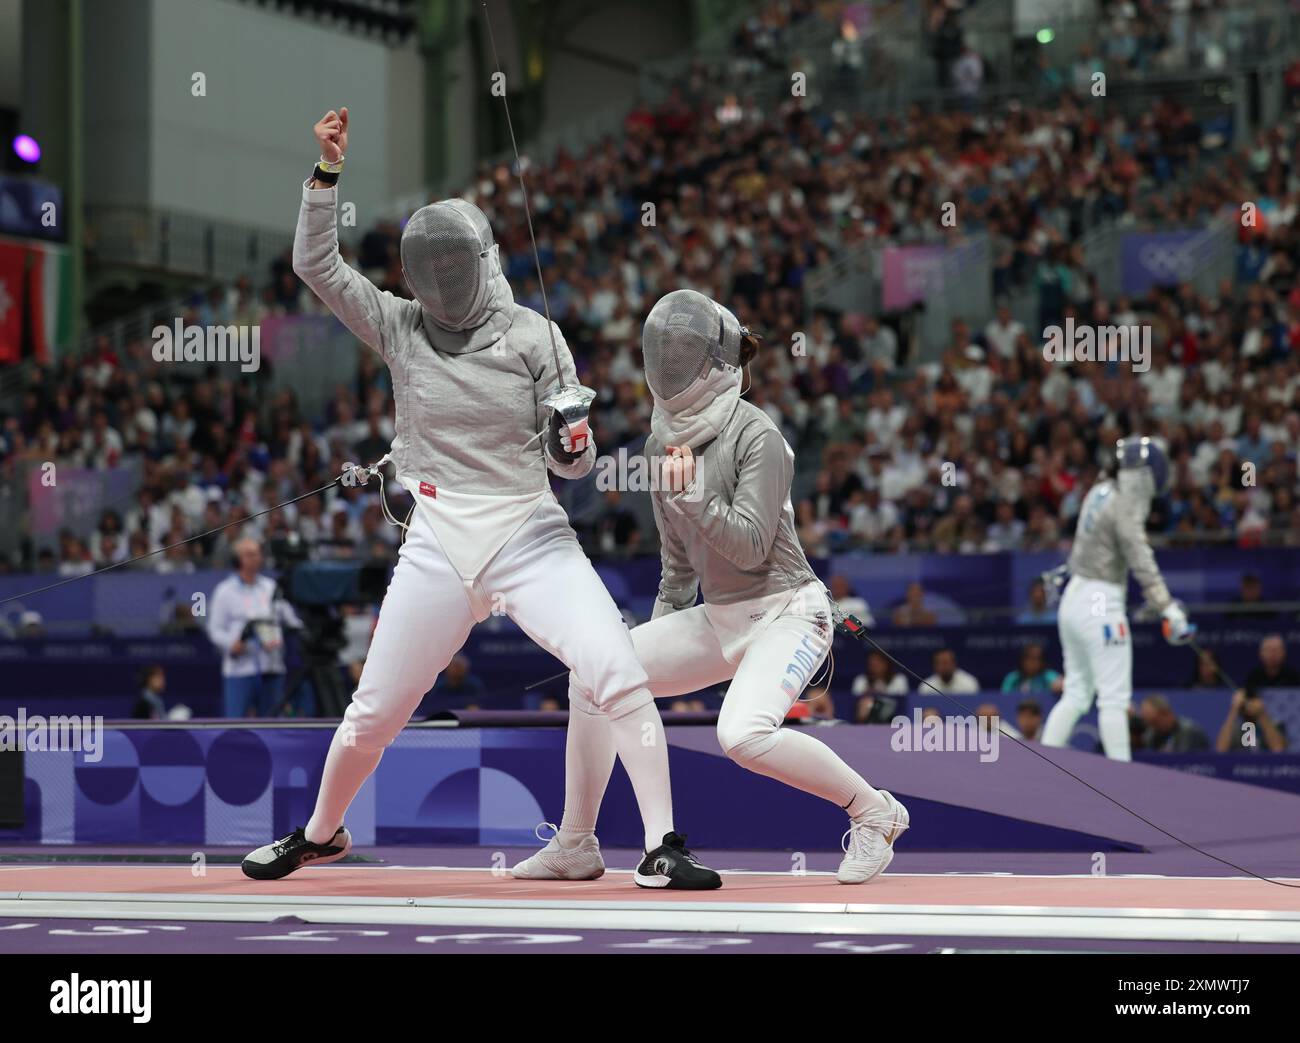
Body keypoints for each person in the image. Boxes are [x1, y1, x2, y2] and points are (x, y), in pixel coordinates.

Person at [242, 110, 719, 890]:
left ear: (485, 262)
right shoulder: (400, 325)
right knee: (373, 711)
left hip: (529, 534)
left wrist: (574, 445)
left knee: (614, 668)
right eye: (430, 274)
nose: (443, 286)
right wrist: (326, 175)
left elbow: (575, 467)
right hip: (437, 538)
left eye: (452, 269)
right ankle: (320, 833)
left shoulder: (536, 337)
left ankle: (662, 840)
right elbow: (316, 265)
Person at [513, 290, 909, 886]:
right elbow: (677, 567)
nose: (671, 361)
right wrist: (649, 647)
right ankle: (576, 842)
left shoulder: (760, 437)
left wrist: (696, 496)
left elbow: (751, 545)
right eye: (665, 350)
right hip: (720, 617)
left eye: (684, 351)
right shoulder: (659, 443)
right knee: (595, 672)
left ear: (713, 362)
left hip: (788, 610)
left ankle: (874, 812)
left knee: (742, 735)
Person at [1041, 438, 1195, 761]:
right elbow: (1140, 558)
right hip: (1100, 602)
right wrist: (1169, 608)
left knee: (1077, 693)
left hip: (1073, 598)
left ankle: (1042, 765)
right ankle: (1122, 783)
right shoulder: (1123, 502)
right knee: (1113, 698)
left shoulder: (1097, 491)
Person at [208, 536, 302, 717]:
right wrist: (231, 643)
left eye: (258, 554)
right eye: (250, 555)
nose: (256, 558)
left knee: (274, 723)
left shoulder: (270, 587)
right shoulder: (224, 591)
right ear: (238, 560)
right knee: (236, 724)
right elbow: (215, 630)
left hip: (272, 666)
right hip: (240, 669)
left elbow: (290, 619)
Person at [1215, 687, 1288, 753]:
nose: (1249, 705)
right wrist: (1234, 709)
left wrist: (1262, 714)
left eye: (1252, 700)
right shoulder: (1235, 729)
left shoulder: (1276, 724)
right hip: (1242, 766)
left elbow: (1278, 749)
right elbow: (1221, 750)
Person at [1138, 695, 1210, 753]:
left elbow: (1182, 759)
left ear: (1166, 714)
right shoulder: (1152, 733)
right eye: (1149, 723)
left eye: (1155, 722)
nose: (1153, 727)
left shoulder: (1188, 731)